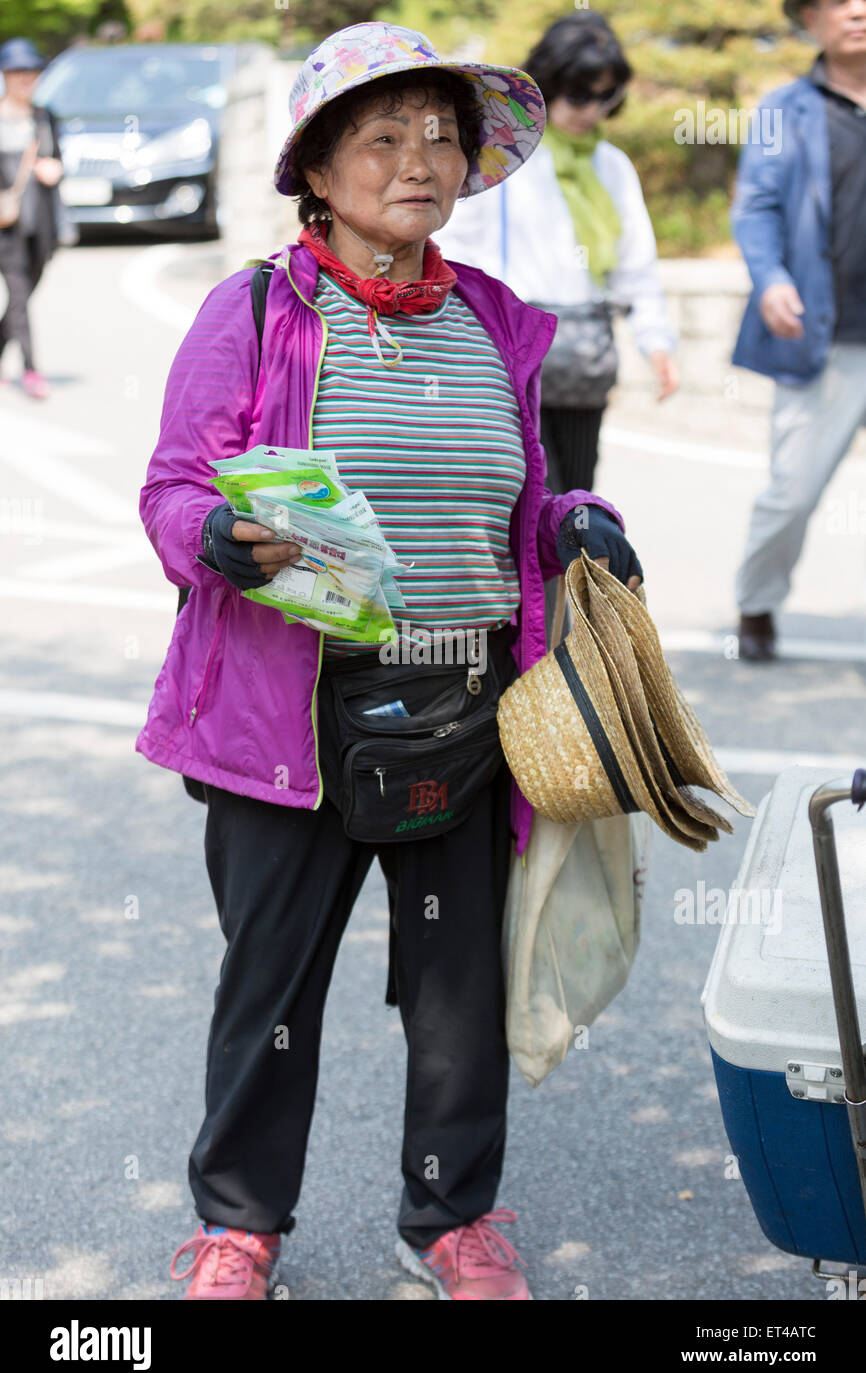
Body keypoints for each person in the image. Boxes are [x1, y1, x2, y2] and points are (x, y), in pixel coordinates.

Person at [135, 21, 644, 1302]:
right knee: (274, 990)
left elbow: (515, 505)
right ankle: (240, 1228)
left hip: (466, 704)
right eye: (382, 136)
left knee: (457, 986)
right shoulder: (253, 310)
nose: (418, 160)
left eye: (439, 137)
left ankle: (450, 1220)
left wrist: (576, 523)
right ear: (316, 164)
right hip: (289, 717)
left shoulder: (495, 321)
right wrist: (217, 537)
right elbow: (172, 490)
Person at [433, 10, 679, 499]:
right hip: (513, 349)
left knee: (579, 499)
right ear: (548, 81)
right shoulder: (506, 158)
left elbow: (635, 263)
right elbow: (461, 251)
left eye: (606, 95)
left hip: (585, 353)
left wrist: (657, 340)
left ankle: (575, 577)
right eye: (579, 92)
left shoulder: (611, 165)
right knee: (531, 493)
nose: (591, 109)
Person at [731, 0, 866, 660]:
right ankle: (757, 603)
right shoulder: (785, 110)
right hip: (824, 336)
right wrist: (771, 277)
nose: (858, 9)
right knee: (791, 493)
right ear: (807, 19)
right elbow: (755, 208)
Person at [0, 37, 63, 400]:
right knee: (19, 295)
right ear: (6, 76)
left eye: (32, 73)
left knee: (21, 297)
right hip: (5, 228)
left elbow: (59, 158)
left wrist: (54, 168)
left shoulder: (45, 117)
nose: (26, 80)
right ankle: (30, 369)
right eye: (18, 73)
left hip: (38, 223)